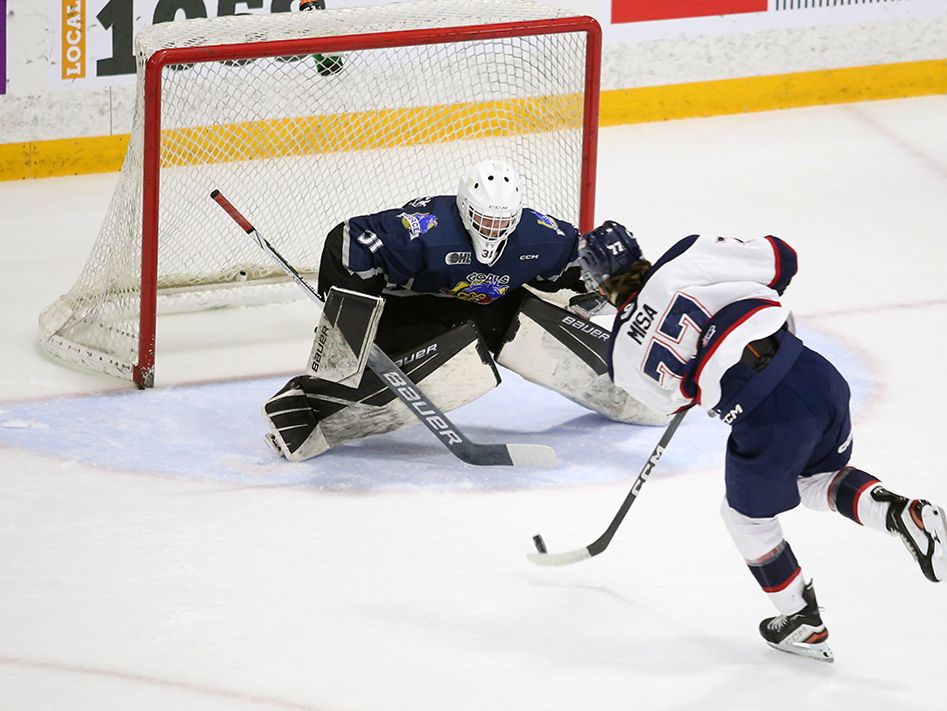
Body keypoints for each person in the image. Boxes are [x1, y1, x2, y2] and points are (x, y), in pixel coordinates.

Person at [576, 221, 946, 662]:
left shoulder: (621, 355)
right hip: (818, 376)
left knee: (745, 519)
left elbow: (673, 400)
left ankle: (803, 622)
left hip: (767, 417)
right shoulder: (687, 254)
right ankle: (904, 513)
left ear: (600, 284)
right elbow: (782, 259)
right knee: (818, 478)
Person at [262, 160, 664, 462]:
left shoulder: (538, 237)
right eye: (483, 219)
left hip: (474, 310)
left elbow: (583, 260)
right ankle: (308, 410)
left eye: (501, 221)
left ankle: (639, 390)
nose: (491, 230)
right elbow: (347, 241)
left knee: (531, 326)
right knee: (464, 368)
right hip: (400, 316)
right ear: (464, 208)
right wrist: (351, 322)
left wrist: (613, 283)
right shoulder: (425, 230)